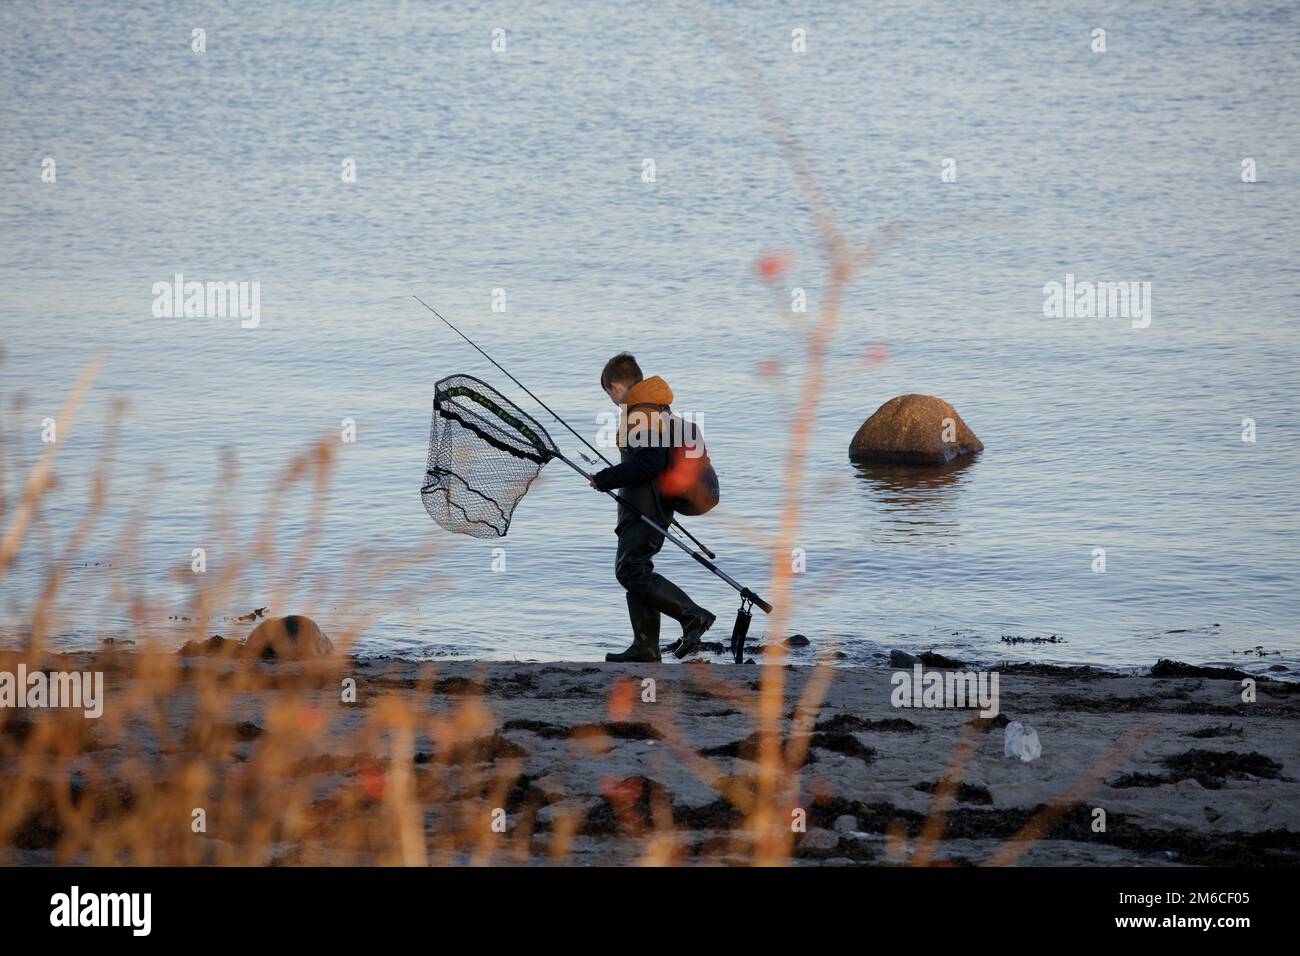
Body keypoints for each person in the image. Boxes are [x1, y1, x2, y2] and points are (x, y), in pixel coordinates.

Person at [590, 352, 715, 663]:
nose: (613, 402)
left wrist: (604, 479)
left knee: (630, 571)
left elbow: (649, 463)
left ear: (615, 387)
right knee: (637, 571)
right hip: (654, 504)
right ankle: (645, 647)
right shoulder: (657, 409)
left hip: (644, 505)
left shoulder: (640, 414)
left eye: (610, 395)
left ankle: (692, 616)